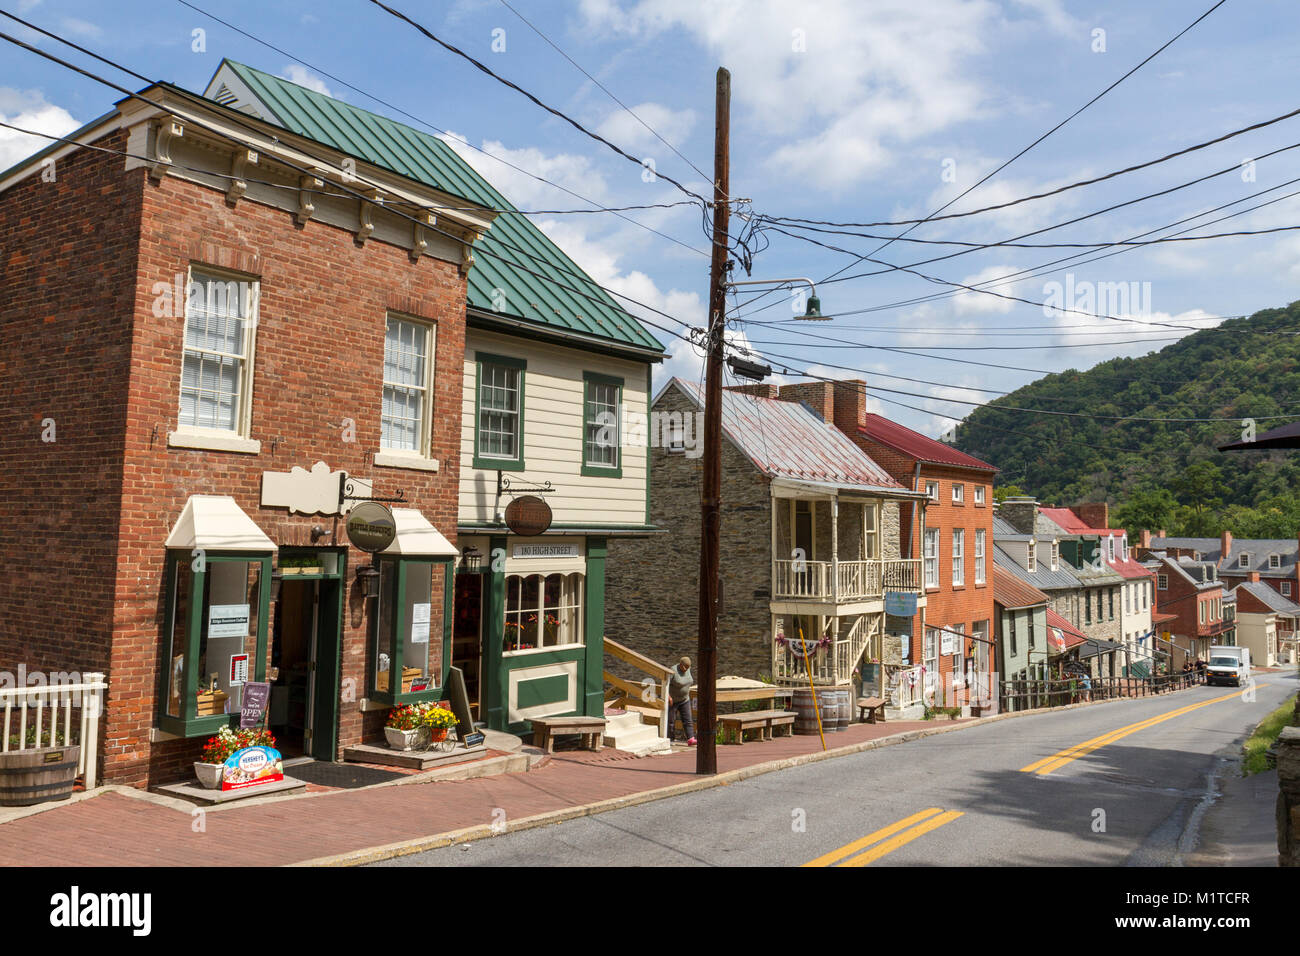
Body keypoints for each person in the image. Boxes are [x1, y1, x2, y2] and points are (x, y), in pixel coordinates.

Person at [668, 656, 696, 746]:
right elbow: (665, 683)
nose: (686, 669)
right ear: (680, 664)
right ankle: (670, 739)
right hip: (673, 700)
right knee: (671, 721)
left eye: (688, 667)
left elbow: (689, 680)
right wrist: (668, 696)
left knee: (688, 719)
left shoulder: (688, 669)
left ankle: (691, 738)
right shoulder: (673, 671)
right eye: (685, 667)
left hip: (685, 699)